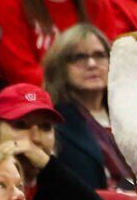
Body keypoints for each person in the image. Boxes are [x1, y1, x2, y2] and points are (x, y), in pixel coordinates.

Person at [39, 22, 127, 190]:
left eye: (100, 55)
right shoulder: (53, 123)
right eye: (79, 57)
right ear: (59, 68)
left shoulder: (128, 114)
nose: (92, 64)